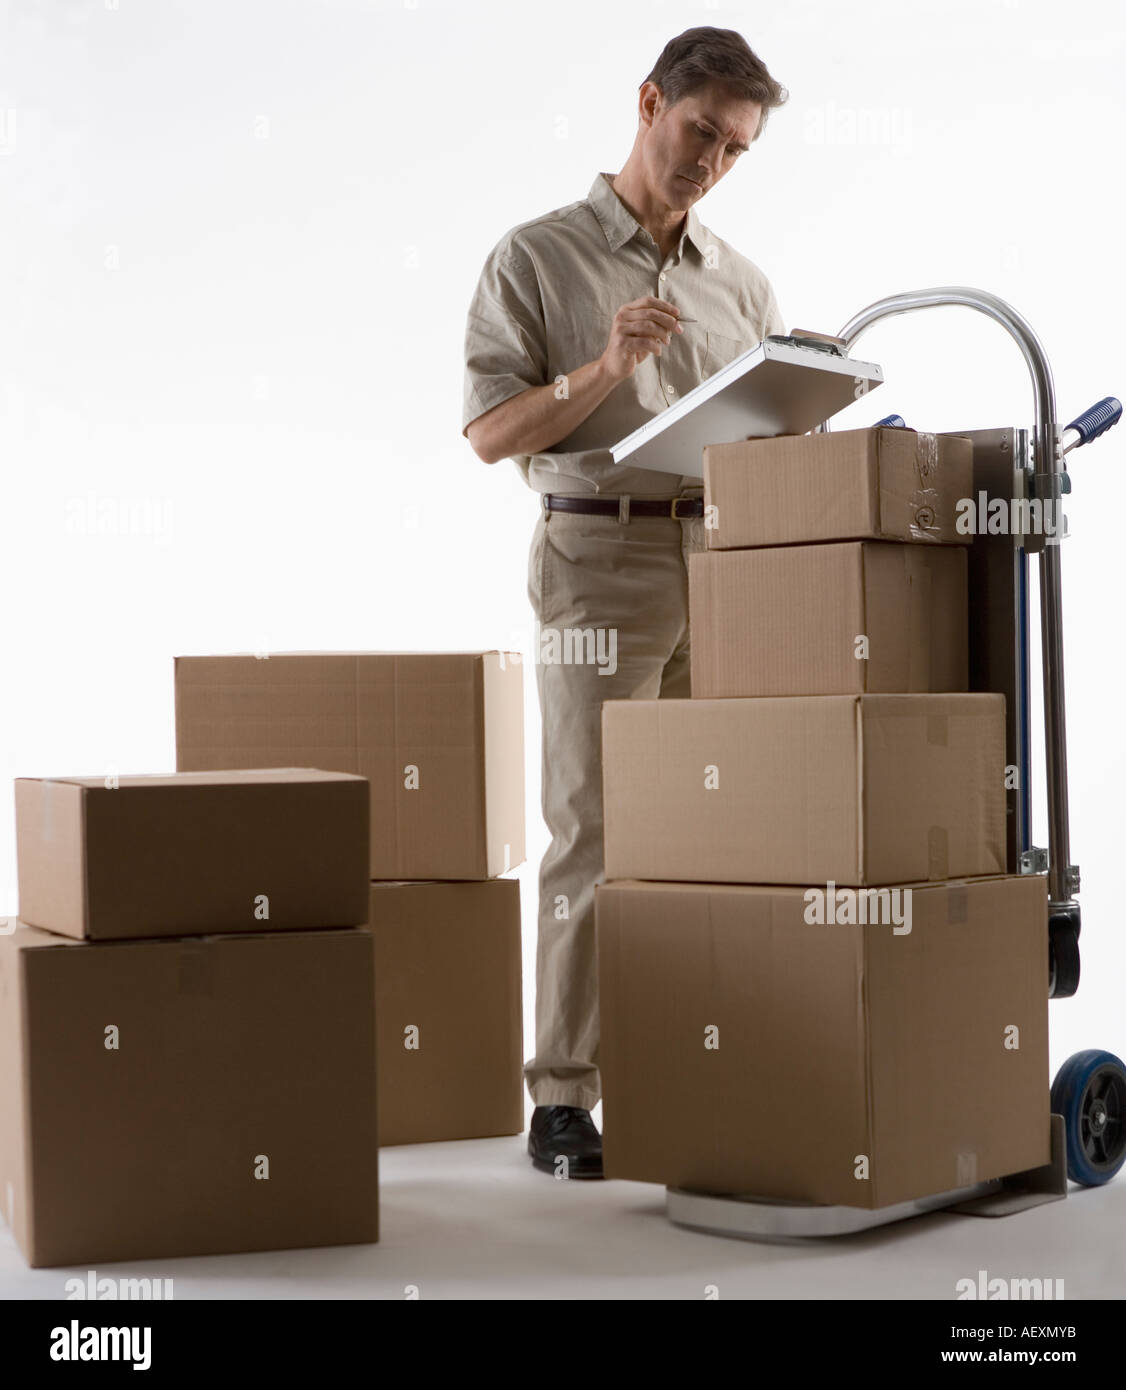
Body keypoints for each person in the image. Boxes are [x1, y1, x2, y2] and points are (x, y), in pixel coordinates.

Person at [461, 27, 788, 1178]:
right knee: (591, 830)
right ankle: (562, 1095)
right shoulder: (537, 259)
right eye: (701, 131)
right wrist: (599, 371)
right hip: (598, 562)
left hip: (726, 566)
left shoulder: (740, 285)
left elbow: (757, 434)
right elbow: (489, 435)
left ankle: (688, 1067)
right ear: (649, 103)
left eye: (736, 149)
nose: (712, 161)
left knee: (713, 835)